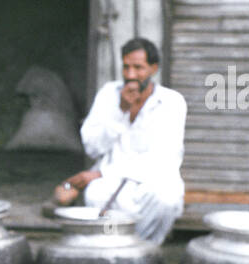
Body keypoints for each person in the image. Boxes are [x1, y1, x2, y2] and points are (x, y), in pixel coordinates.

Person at [53, 37, 186, 243]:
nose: (131, 75)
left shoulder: (172, 102)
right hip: (110, 179)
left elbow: (163, 158)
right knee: (95, 195)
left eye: (138, 68)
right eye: (126, 67)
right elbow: (92, 147)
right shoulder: (108, 95)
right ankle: (114, 247)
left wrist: (100, 172)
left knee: (166, 201)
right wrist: (120, 111)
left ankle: (144, 249)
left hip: (154, 179)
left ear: (153, 68)